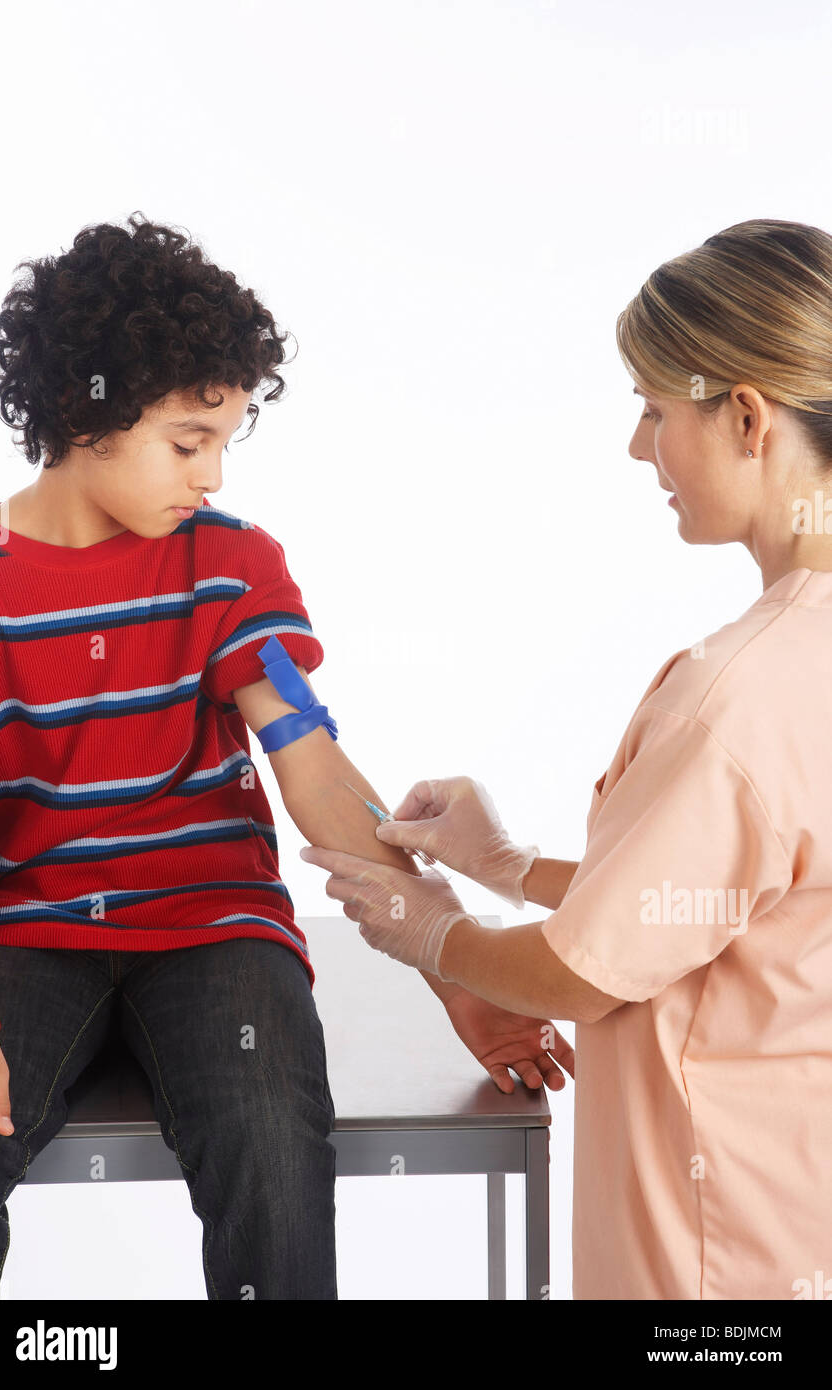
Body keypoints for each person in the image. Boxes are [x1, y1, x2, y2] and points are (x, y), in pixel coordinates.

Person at [0, 212, 575, 1302]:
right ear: (81, 410)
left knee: (267, 1141)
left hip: (212, 925)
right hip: (25, 932)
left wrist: (455, 965)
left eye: (225, 444)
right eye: (187, 442)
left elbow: (319, 775)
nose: (209, 475)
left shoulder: (230, 565)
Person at [299, 218, 832, 1301]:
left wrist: (433, 935)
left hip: (715, 1262)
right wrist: (505, 860)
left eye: (649, 411)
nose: (637, 449)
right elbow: (708, 911)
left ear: (743, 416)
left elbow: (585, 968)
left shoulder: (744, 691)